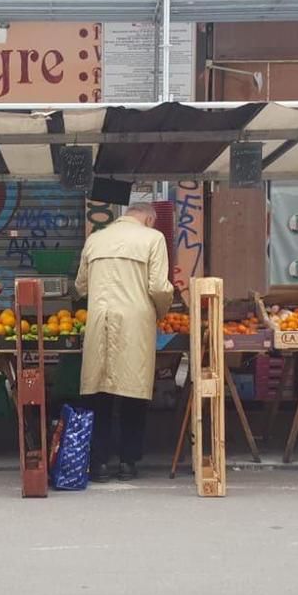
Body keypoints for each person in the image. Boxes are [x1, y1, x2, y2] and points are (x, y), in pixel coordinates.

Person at [74, 202, 174, 482]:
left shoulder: (95, 239)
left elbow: (80, 286)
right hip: (136, 323)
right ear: (149, 219)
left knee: (99, 392)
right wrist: (162, 310)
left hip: (100, 321)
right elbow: (158, 286)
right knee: (134, 392)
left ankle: (98, 463)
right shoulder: (153, 238)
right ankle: (128, 463)